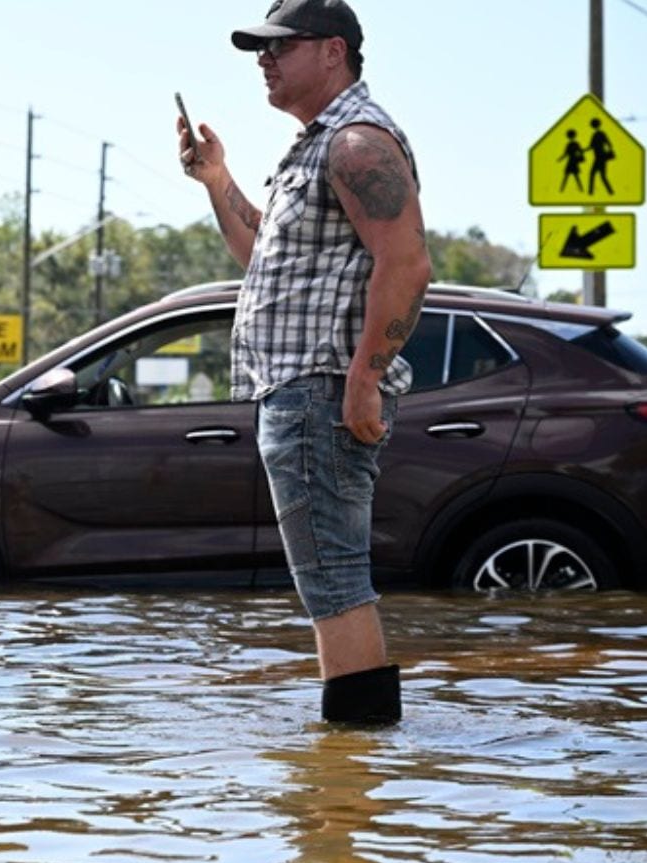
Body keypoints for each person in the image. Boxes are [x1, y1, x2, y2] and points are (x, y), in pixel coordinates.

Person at [177, 0, 432, 724]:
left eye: (280, 46)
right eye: (260, 49)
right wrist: (217, 180)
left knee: (334, 581)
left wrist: (363, 380)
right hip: (298, 392)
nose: (265, 60)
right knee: (328, 580)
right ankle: (353, 760)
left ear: (333, 51)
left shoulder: (356, 143)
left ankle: (355, 760)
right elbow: (267, 258)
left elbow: (408, 264)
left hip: (320, 391)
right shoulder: (316, 148)